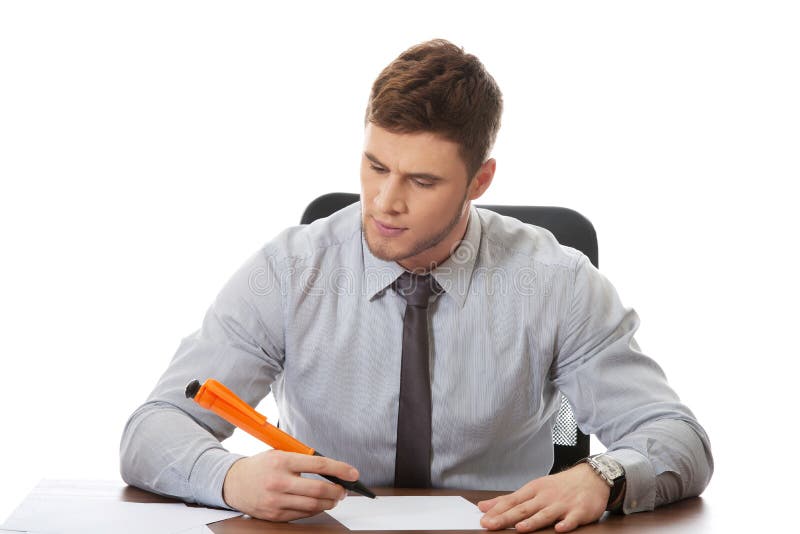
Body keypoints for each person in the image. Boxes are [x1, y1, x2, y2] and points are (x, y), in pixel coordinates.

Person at [120, 38, 713, 532]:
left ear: (479, 181)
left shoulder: (556, 283)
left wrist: (602, 478)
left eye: (422, 181)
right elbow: (152, 429)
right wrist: (228, 477)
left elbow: (678, 437)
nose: (384, 202)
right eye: (375, 166)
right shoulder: (288, 272)